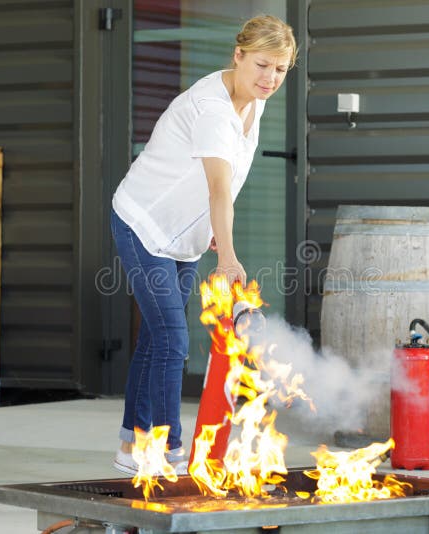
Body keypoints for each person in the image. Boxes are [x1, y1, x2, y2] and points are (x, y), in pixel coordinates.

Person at [111, 15, 297, 475]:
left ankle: (130, 443)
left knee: (156, 337)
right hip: (144, 223)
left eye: (280, 69)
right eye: (261, 65)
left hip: (185, 235)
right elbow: (218, 187)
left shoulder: (253, 101)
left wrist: (215, 229)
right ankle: (168, 450)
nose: (270, 78)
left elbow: (227, 182)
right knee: (173, 339)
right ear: (237, 56)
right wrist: (229, 258)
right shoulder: (213, 109)